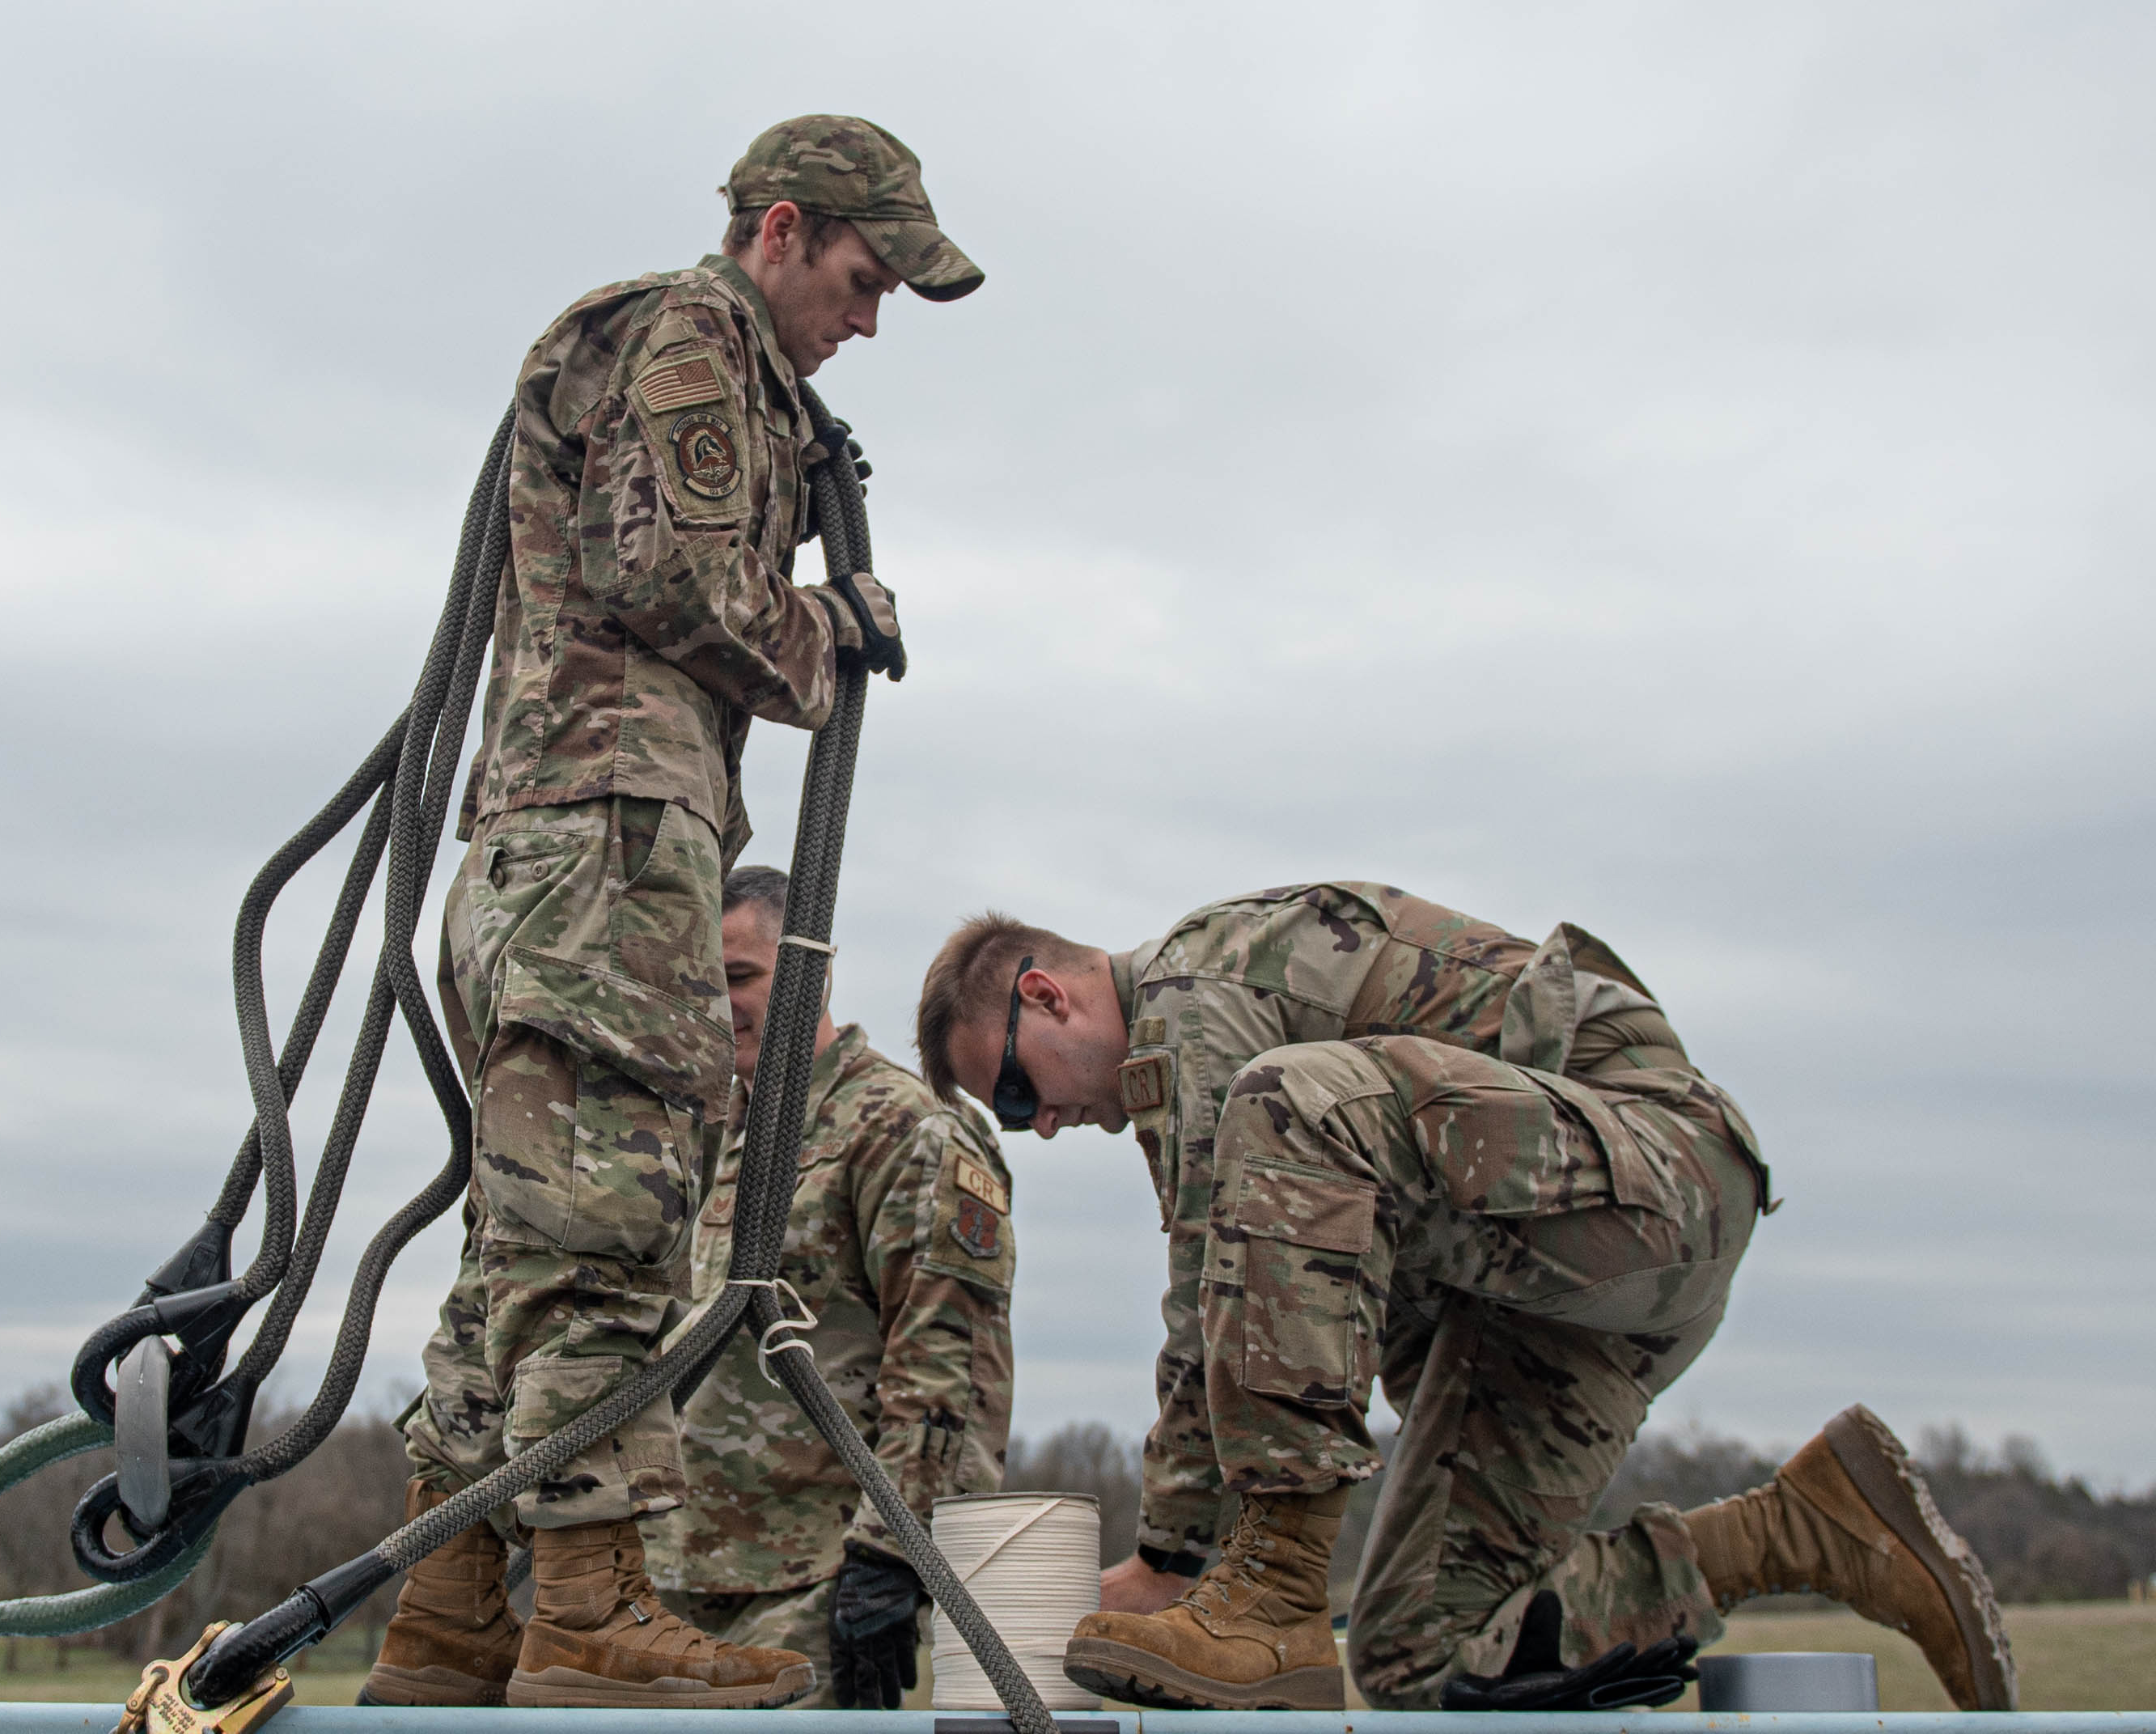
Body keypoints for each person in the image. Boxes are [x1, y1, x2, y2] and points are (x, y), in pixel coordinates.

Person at [362, 116, 982, 1713]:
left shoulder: (677, 353)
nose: (868, 322)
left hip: (551, 844)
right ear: (780, 231)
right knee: (610, 1232)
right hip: (614, 845)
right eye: (861, 281)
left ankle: (447, 1603)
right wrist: (829, 622)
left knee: (520, 1246)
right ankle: (587, 1604)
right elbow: (673, 578)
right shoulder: (697, 334)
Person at [915, 882, 2016, 1713]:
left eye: (1014, 1091)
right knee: (1421, 1653)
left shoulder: (1194, 997)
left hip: (1658, 1175)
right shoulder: (1202, 1059)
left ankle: (1278, 1589)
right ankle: (1806, 1528)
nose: (1040, 1125)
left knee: (1288, 1106)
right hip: (1549, 1287)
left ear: (1047, 994)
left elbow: (1208, 1294)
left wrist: (1171, 1560)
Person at [645, 866, 1017, 1709]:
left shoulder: (902, 1128)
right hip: (669, 1579)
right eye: (698, 982)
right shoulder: (700, 1138)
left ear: (813, 972)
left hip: (815, 1584)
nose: (716, 1004)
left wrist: (894, 1557)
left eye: (739, 977)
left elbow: (950, 1370)